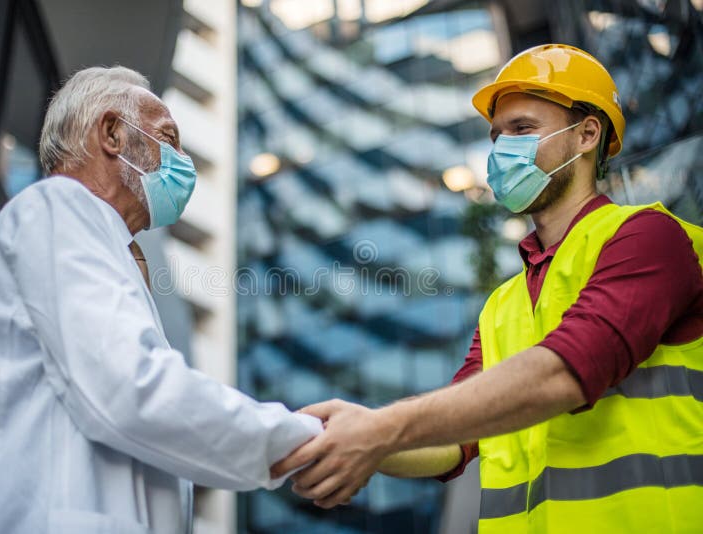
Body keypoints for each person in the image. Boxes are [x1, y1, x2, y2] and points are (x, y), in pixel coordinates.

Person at [272, 44, 703, 533]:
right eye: (496, 136)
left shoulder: (650, 238)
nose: (502, 150)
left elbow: (568, 371)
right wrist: (349, 435)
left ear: (586, 135)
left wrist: (379, 431)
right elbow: (457, 444)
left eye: (523, 130)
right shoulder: (503, 304)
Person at [0, 66, 321, 534]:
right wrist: (307, 442)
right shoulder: (57, 208)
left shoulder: (100, 245)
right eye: (169, 137)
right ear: (112, 133)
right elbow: (131, 389)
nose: (183, 161)